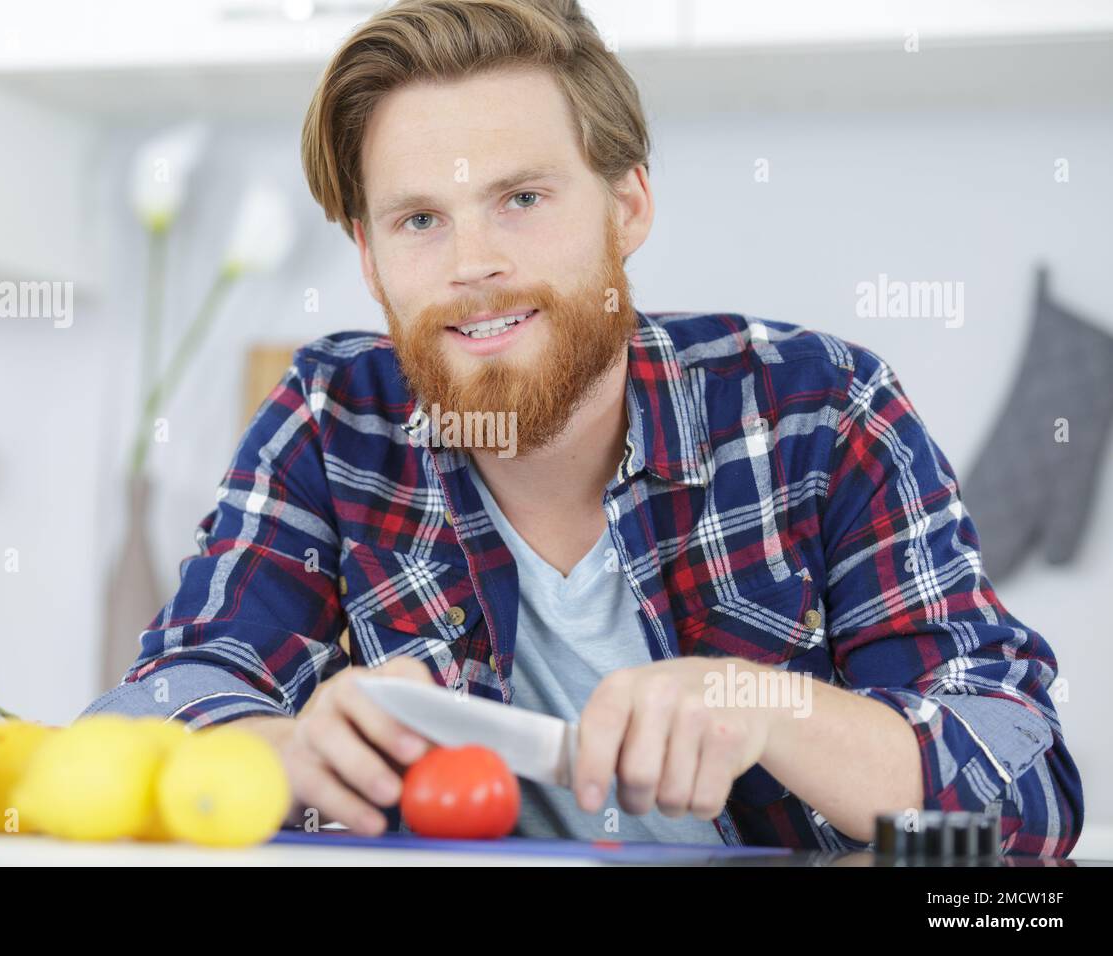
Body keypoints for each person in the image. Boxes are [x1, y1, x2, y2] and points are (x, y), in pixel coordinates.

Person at [83, 0, 1082, 855]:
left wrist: (763, 705)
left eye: (520, 198)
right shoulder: (329, 418)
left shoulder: (823, 411)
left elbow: (1027, 785)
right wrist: (279, 747)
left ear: (626, 204)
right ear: (370, 256)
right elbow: (146, 714)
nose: (471, 263)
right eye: (419, 219)